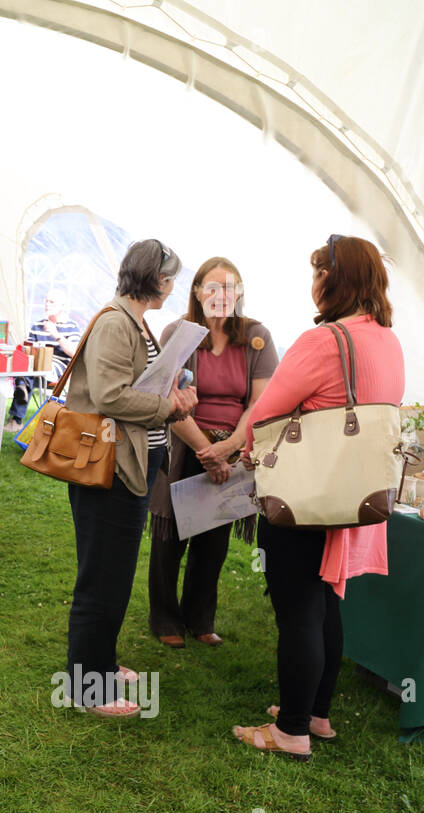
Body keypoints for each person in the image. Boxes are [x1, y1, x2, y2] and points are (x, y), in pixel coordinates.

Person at [232, 235, 404, 760]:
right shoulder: (387, 340)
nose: (313, 284)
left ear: (335, 279)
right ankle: (316, 714)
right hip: (354, 496)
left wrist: (241, 450)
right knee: (327, 600)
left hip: (306, 493)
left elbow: (265, 415)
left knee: (299, 610)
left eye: (317, 273)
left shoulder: (325, 340)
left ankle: (290, 731)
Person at [61, 239, 198, 717]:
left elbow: (138, 384)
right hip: (111, 469)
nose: (173, 286)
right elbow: (111, 396)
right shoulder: (119, 323)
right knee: (101, 577)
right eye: (171, 278)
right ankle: (86, 686)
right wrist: (168, 406)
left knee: (114, 574)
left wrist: (176, 388)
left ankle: (103, 661)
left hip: (133, 465)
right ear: (157, 279)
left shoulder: (136, 322)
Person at [147, 258, 278, 648]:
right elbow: (165, 395)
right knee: (170, 535)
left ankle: (200, 616)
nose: (222, 295)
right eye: (213, 287)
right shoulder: (179, 333)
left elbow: (260, 402)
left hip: (233, 446)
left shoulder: (256, 336)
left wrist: (232, 446)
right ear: (197, 291)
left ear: (239, 293)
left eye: (230, 287)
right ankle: (164, 617)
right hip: (184, 442)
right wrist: (206, 449)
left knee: (214, 536)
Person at [7, 288, 81, 430]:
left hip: (58, 368)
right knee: (24, 363)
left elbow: (74, 352)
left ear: (63, 306)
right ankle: (21, 386)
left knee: (28, 371)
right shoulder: (37, 325)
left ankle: (16, 417)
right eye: (46, 301)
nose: (47, 304)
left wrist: (56, 334)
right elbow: (27, 349)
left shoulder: (72, 326)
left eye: (52, 302)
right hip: (35, 366)